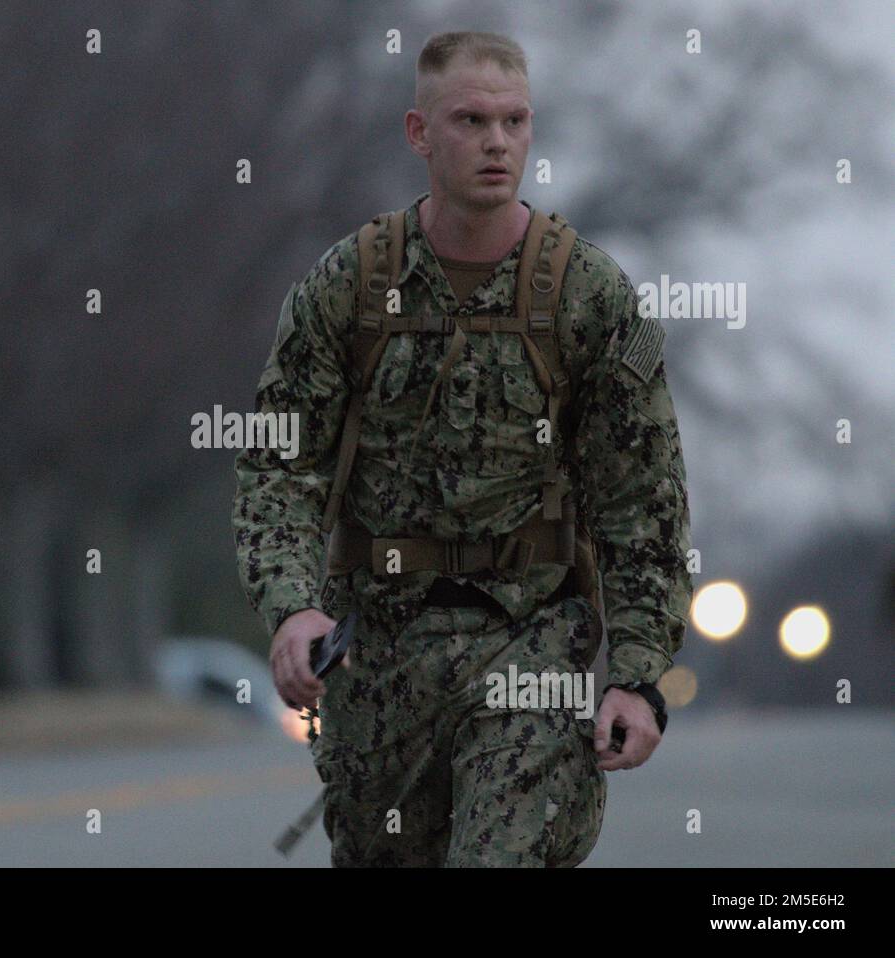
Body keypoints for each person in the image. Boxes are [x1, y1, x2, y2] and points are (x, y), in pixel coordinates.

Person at [234, 31, 692, 866]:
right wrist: (292, 605)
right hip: (379, 651)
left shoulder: (587, 295)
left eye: (515, 121)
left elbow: (643, 503)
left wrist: (635, 672)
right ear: (419, 133)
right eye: (471, 120)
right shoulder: (350, 287)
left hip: (532, 642)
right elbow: (280, 464)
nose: (496, 142)